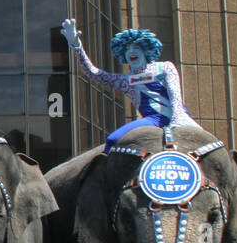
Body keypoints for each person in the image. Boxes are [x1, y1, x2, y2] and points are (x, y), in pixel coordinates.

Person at [60, 20, 199, 151]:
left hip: (176, 116)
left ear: (146, 50)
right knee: (113, 139)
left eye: (136, 47)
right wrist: (77, 46)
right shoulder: (126, 80)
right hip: (152, 120)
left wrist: (177, 119)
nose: (131, 51)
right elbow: (94, 74)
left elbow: (175, 94)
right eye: (127, 48)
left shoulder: (164, 67)